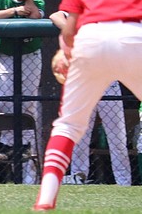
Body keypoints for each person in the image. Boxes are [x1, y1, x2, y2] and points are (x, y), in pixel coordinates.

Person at [34, 0, 142, 210]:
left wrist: (64, 51)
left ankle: (45, 199)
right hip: (135, 34)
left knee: (68, 124)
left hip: (91, 38)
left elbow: (70, 23)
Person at [47, 10, 132, 187]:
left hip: (109, 80)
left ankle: (124, 181)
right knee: (80, 135)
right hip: (84, 82)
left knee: (117, 137)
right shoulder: (81, 10)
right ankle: (79, 176)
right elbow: (55, 15)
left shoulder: (112, 14)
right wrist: (72, 29)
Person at [0, 0, 46, 184]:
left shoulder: (36, 1)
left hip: (30, 56)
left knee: (27, 107)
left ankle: (18, 149)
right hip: (6, 56)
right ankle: (11, 145)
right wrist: (15, 11)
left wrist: (29, 1)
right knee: (4, 104)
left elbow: (37, 16)